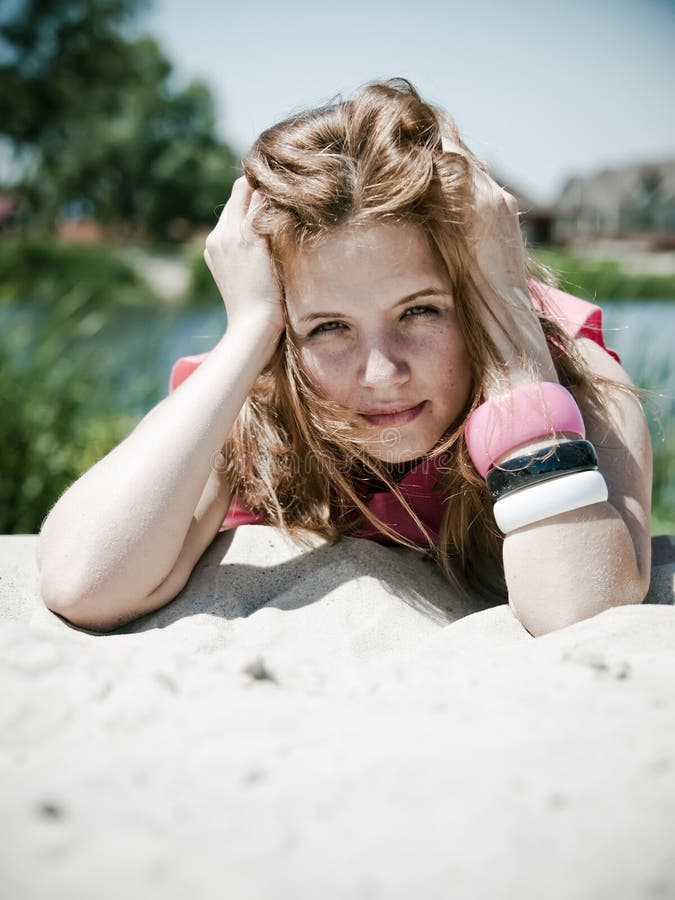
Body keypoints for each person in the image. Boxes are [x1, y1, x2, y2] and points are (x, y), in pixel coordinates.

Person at [37, 78, 652, 635]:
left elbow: (582, 615)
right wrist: (250, 329)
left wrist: (512, 341)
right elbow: (83, 581)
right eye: (329, 326)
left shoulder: (570, 372)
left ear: (473, 286)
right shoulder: (264, 391)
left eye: (420, 311)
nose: (382, 373)